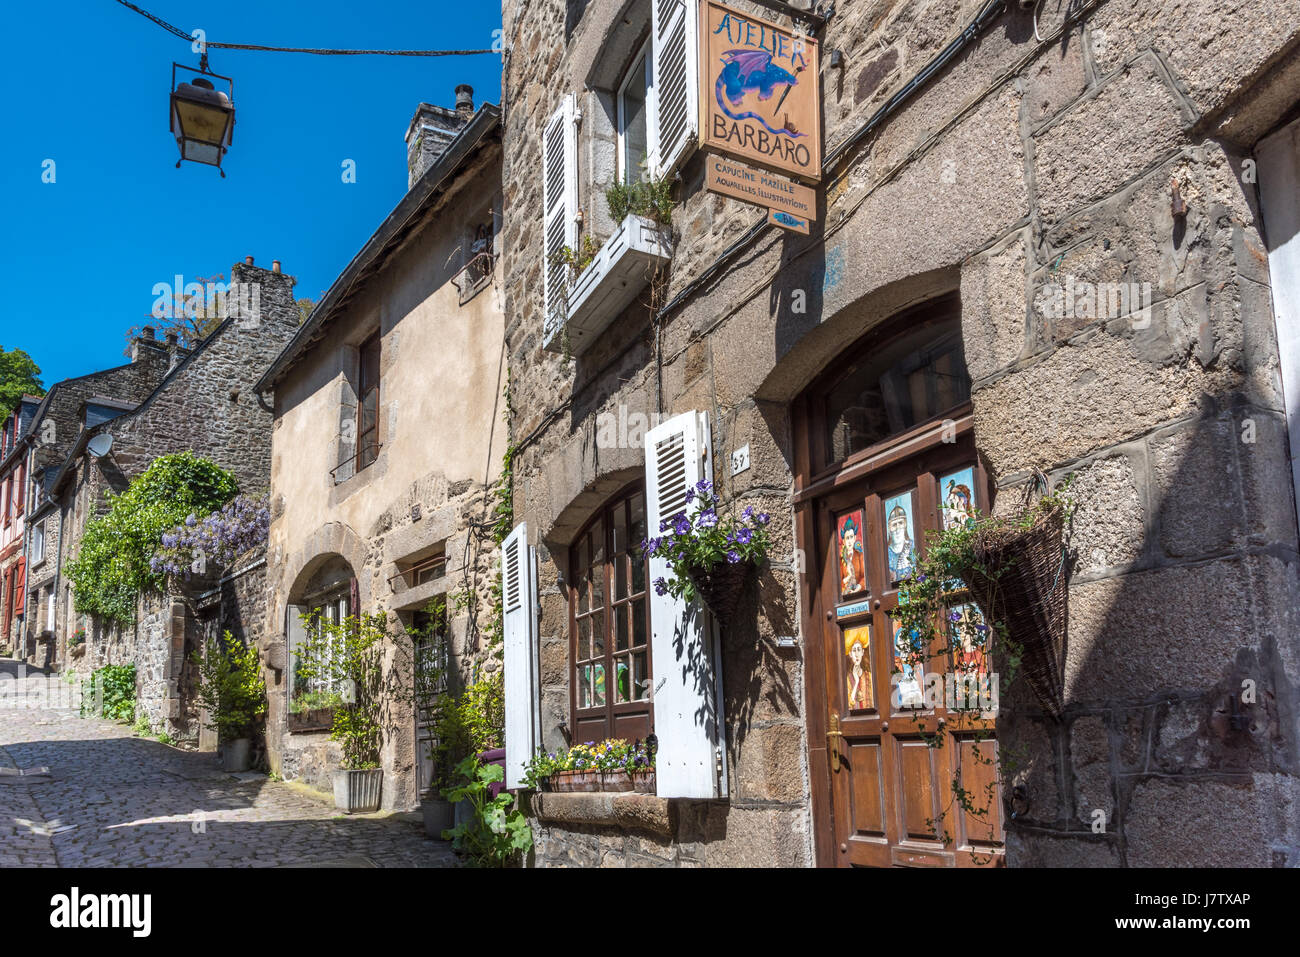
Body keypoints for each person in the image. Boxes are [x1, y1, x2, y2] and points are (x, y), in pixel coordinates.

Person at [845, 630, 872, 710]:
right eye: (854, 650)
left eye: (859, 650)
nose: (856, 654)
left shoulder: (869, 676)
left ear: (863, 652)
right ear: (850, 654)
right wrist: (856, 682)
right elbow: (849, 705)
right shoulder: (847, 679)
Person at [886, 503, 915, 580]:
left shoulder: (912, 546)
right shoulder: (886, 553)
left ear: (905, 525)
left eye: (900, 523)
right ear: (889, 528)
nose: (897, 529)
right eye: (894, 525)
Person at [839, 515, 866, 594]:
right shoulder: (841, 560)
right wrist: (848, 577)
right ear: (844, 541)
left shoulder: (860, 556)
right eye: (847, 538)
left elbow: (864, 577)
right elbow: (838, 582)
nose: (849, 541)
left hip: (859, 594)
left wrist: (859, 587)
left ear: (854, 538)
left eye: (851, 537)